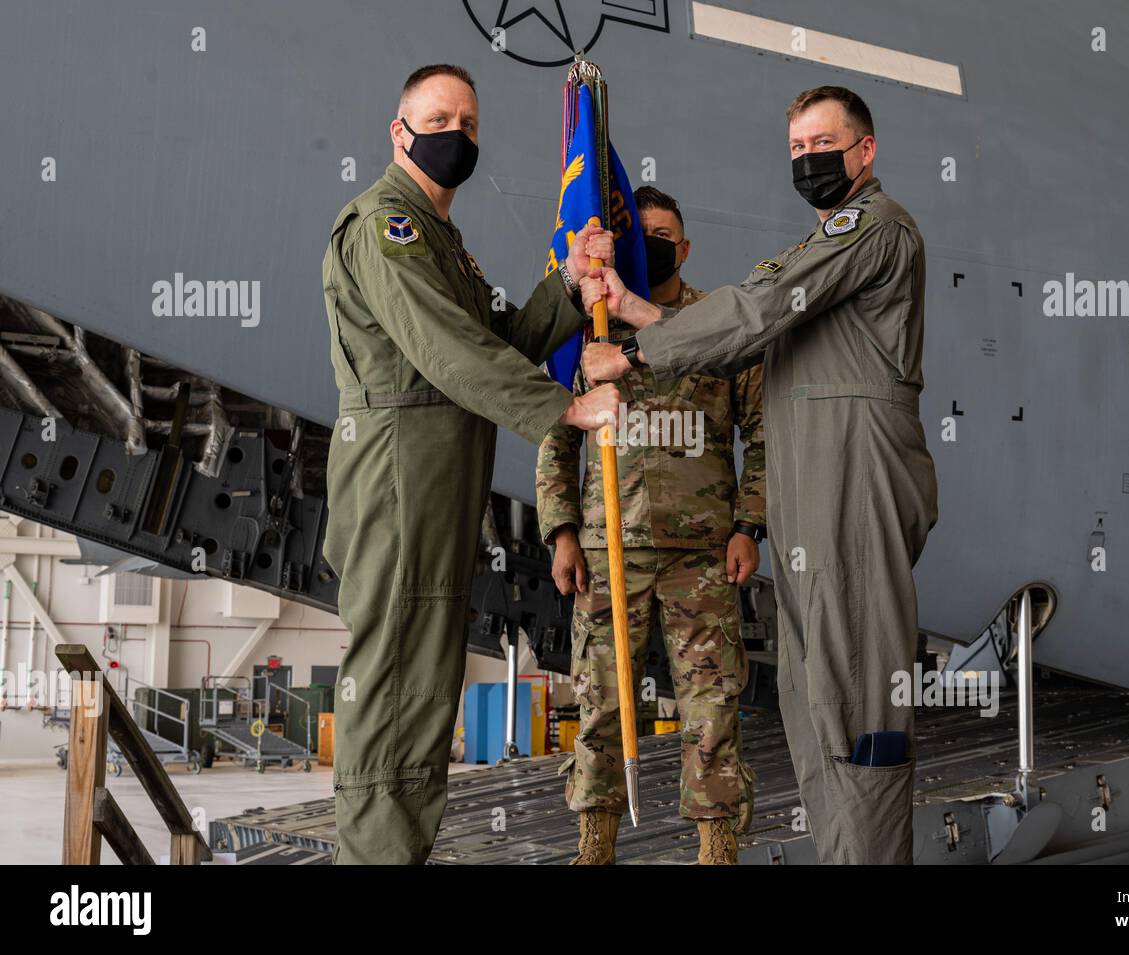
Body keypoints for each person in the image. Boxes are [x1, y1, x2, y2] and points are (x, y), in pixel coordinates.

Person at [578, 86, 939, 864]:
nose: (809, 159)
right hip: (815, 490)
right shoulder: (822, 248)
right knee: (812, 699)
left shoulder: (871, 227)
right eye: (798, 148)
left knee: (856, 700)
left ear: (865, 150)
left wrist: (634, 349)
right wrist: (640, 310)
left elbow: (761, 308)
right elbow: (755, 324)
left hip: (854, 479)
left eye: (824, 144)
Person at [321, 63, 618, 864]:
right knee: (392, 697)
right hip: (399, 485)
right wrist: (564, 408)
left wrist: (568, 280)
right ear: (400, 130)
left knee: (423, 697)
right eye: (440, 119)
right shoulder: (388, 228)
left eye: (470, 125)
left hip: (437, 488)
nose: (457, 135)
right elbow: (448, 352)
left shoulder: (444, 243)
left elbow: (498, 345)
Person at [536, 186, 766, 865]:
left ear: (685, 246)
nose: (656, 243)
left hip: (702, 557)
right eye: (645, 234)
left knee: (713, 708)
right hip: (611, 552)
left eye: (667, 234)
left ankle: (717, 843)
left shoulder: (718, 325)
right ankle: (594, 844)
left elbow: (764, 433)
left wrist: (749, 524)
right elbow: (555, 432)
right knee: (601, 704)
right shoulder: (593, 324)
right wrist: (562, 531)